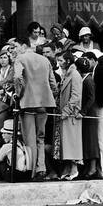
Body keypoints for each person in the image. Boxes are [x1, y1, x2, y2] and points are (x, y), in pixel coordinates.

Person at [13, 26, 57, 179]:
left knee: (29, 138)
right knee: (41, 138)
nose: (14, 50)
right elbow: (53, 84)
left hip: (28, 103)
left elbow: (18, 78)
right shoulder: (45, 60)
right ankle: (41, 168)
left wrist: (19, 94)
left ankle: (31, 171)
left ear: (24, 46)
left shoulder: (20, 59)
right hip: (44, 103)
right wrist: (52, 96)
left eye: (15, 47)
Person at [56, 51, 84, 180]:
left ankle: (74, 168)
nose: (59, 63)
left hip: (70, 115)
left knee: (72, 143)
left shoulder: (75, 75)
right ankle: (67, 168)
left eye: (61, 61)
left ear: (68, 61)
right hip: (64, 114)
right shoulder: (66, 75)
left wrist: (66, 111)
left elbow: (76, 96)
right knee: (65, 143)